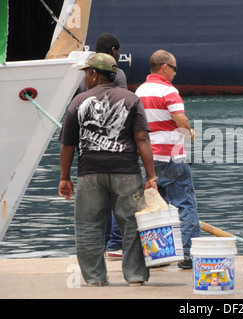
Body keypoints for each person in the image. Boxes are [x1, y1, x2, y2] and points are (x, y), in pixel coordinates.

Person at [59, 53, 158, 285]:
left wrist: (65, 177)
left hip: (89, 173)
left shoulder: (78, 101)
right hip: (126, 172)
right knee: (132, 224)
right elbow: (142, 138)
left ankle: (95, 279)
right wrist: (151, 175)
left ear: (94, 74)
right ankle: (134, 277)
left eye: (86, 73)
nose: (85, 77)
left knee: (89, 225)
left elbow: (68, 144)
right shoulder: (131, 99)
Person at [135, 49, 201, 269]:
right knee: (185, 204)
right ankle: (188, 255)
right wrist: (189, 134)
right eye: (174, 69)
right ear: (165, 67)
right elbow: (181, 122)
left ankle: (158, 256)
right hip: (171, 158)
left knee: (158, 207)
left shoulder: (139, 91)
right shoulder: (168, 91)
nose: (175, 73)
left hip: (149, 158)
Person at [76, 33, 127, 258]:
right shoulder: (119, 74)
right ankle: (116, 244)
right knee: (119, 198)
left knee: (99, 202)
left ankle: (104, 244)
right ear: (114, 51)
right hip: (113, 147)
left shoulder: (83, 78)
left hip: (88, 148)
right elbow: (122, 107)